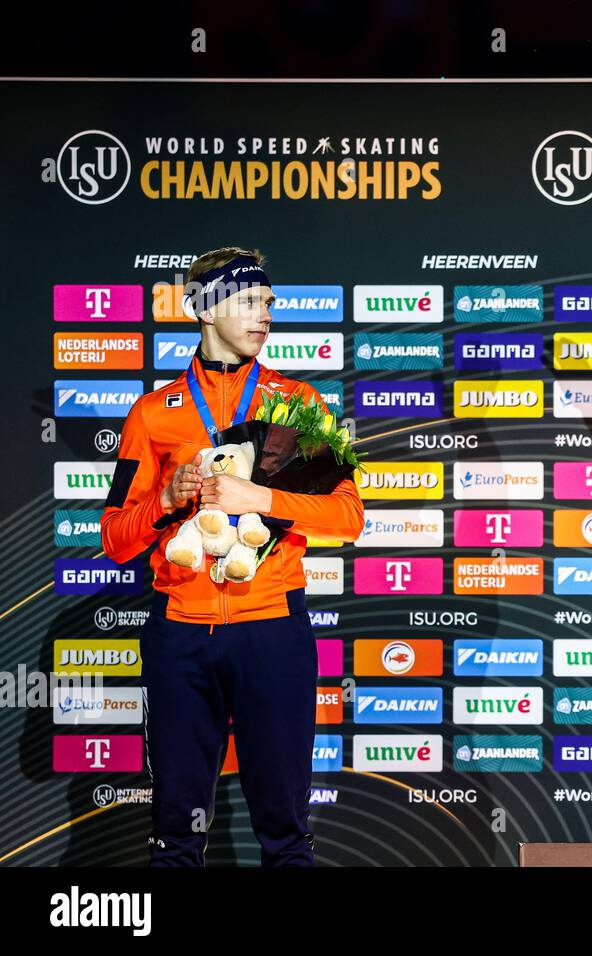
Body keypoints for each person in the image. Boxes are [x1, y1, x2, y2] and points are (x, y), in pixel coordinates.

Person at [100, 247, 365, 866]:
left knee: (286, 836)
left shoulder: (298, 404)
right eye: (248, 301)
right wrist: (165, 499)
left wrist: (262, 496)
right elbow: (114, 540)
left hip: (272, 630)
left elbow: (349, 517)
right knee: (174, 837)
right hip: (181, 637)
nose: (264, 315)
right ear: (205, 308)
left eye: (269, 303)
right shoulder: (153, 414)